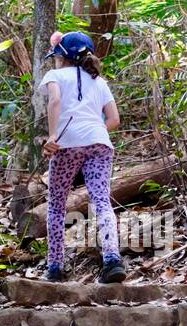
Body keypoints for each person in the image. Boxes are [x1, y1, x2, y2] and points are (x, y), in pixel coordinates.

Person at [39, 30, 126, 283]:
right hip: (99, 143)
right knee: (101, 201)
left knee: (56, 204)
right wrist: (93, 130)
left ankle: (55, 267)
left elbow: (54, 101)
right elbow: (114, 120)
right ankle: (112, 260)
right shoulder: (99, 82)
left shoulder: (54, 75)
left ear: (62, 56)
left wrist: (53, 136)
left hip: (66, 145)